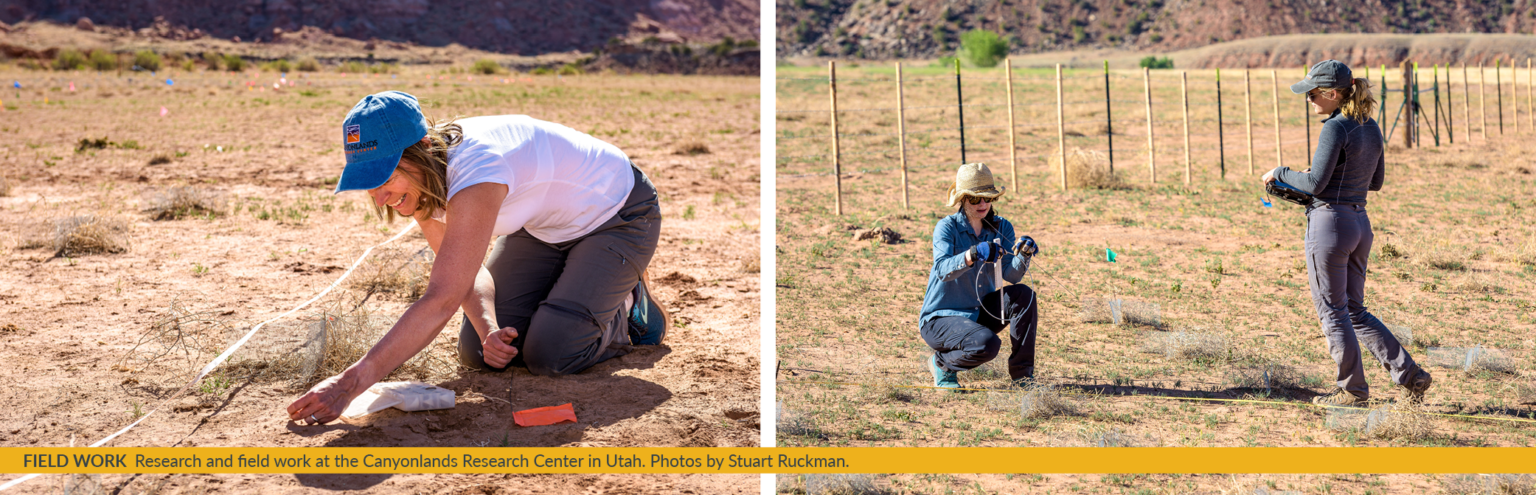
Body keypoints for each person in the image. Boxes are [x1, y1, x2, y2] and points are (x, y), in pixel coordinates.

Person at [287, 91, 670, 425]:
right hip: (542, 228)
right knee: (479, 352)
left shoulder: (478, 171)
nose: (378, 197)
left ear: (420, 150)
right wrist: (489, 330)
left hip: (616, 217)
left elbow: (441, 298)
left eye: (384, 179)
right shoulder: (425, 182)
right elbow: (464, 278)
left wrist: (350, 383)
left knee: (552, 353)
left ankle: (628, 304)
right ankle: (578, 290)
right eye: (369, 183)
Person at [1263, 60, 1431, 406]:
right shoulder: (1370, 127)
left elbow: (1314, 184)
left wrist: (1280, 172)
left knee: (1332, 310)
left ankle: (1352, 391)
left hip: (1330, 227)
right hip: (1359, 223)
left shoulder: (1335, 128)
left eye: (1312, 93)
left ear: (1332, 93)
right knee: (1354, 310)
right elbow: (1376, 182)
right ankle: (1411, 376)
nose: (1308, 99)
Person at [918, 163, 1041, 391]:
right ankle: (941, 364)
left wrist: (1024, 254)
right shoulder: (946, 228)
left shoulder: (1001, 227)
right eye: (975, 199)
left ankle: (1023, 377)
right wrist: (971, 254)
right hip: (940, 319)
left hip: (979, 312)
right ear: (962, 199)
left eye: (988, 197)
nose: (983, 204)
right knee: (987, 344)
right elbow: (942, 270)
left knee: (1025, 295)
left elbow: (1011, 275)